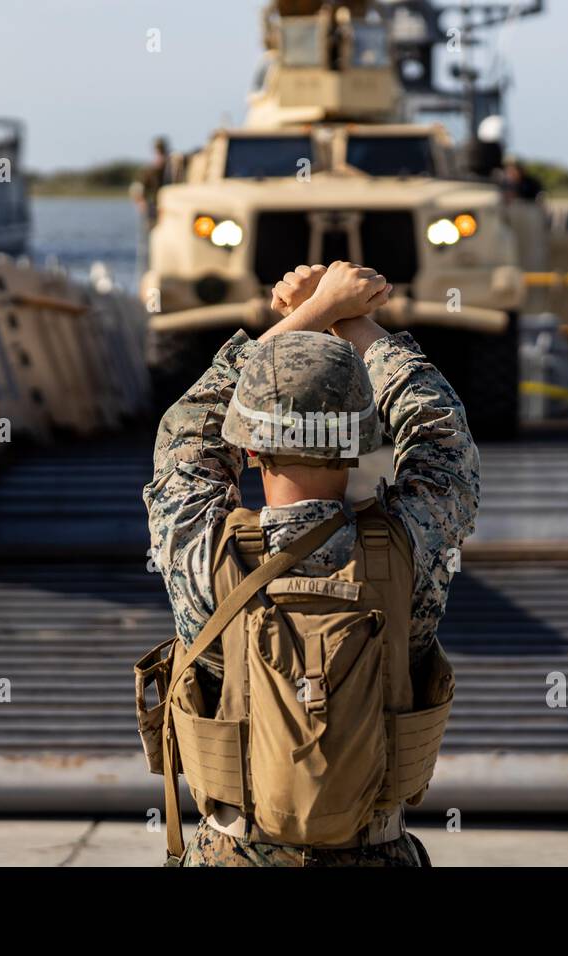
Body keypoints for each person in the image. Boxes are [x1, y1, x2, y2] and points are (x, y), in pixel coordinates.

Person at [143, 261, 480, 866]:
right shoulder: (413, 545)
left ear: (248, 445)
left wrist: (312, 312)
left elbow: (189, 431)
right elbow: (440, 433)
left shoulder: (199, 547)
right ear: (363, 441)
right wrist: (357, 321)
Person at [130, 136, 172, 229]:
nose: (161, 156)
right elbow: (136, 189)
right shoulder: (148, 171)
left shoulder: (172, 169)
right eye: (159, 152)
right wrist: (141, 202)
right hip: (153, 209)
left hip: (168, 209)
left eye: (162, 152)